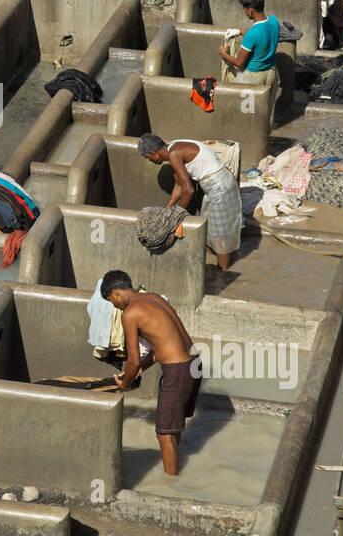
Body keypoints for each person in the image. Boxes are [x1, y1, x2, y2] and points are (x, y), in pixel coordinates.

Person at [102, 270, 200, 476]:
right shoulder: (153, 298)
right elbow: (159, 349)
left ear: (116, 293)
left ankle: (171, 485)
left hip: (177, 370)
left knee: (164, 434)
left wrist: (126, 382)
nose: (116, 307)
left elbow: (134, 359)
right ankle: (175, 468)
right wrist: (135, 374)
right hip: (194, 364)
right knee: (174, 428)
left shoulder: (130, 313)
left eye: (112, 302)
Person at [138, 133, 242, 270]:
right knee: (208, 230)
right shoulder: (174, 147)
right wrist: (167, 209)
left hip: (220, 187)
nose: (149, 160)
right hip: (213, 186)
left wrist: (178, 214)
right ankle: (210, 264)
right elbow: (179, 185)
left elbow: (189, 190)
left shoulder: (174, 154)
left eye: (148, 158)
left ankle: (223, 274)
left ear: (154, 153)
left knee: (220, 236)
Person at [217, 0, 280, 92]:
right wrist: (242, 32)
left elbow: (239, 63)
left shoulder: (252, 34)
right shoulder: (274, 21)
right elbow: (263, 36)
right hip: (270, 74)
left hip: (253, 78)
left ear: (251, 10)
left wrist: (224, 54)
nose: (245, 12)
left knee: (242, 106)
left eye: (244, 9)